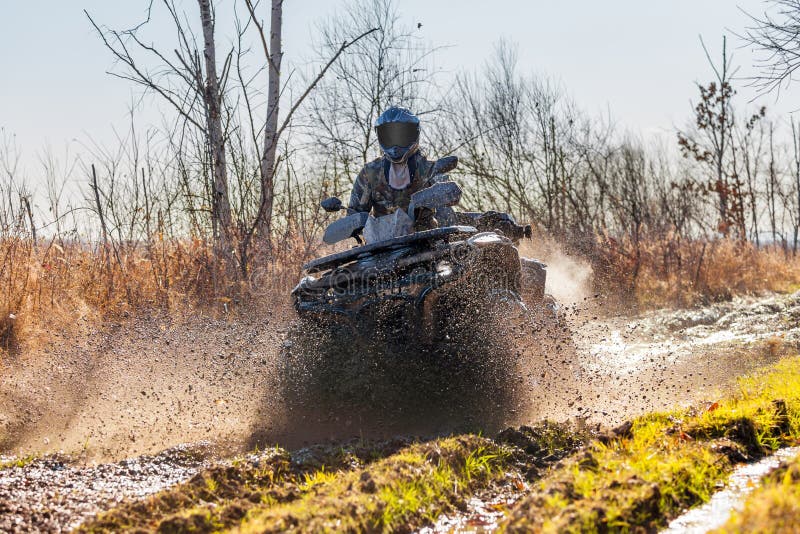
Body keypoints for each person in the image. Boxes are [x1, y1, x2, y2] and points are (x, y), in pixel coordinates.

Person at [348, 106, 444, 218]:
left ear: (414, 133)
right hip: (383, 235)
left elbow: (447, 206)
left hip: (428, 234)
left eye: (402, 135)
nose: (395, 145)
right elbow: (355, 214)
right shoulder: (370, 172)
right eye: (389, 136)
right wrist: (351, 224)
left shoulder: (431, 169)